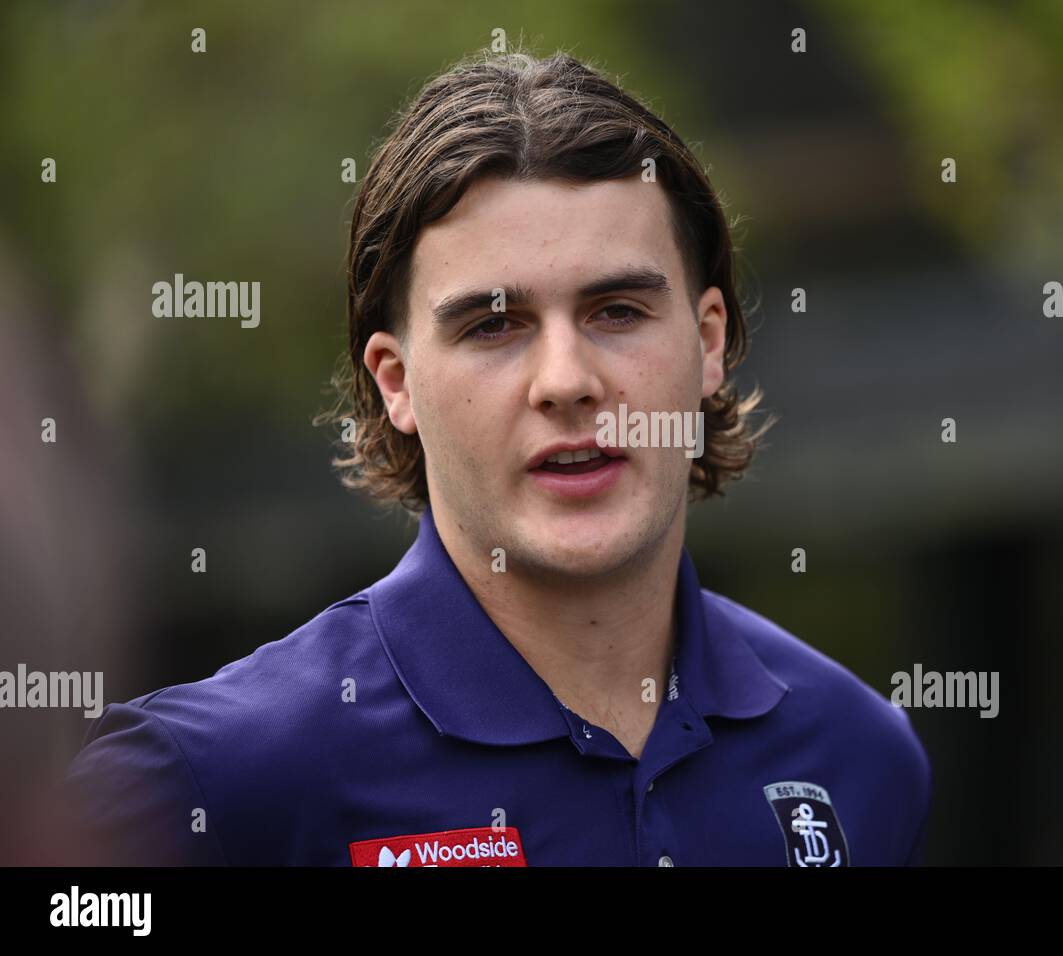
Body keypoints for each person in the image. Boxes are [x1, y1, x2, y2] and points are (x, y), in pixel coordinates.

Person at [63, 47, 931, 867]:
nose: (566, 381)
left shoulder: (859, 754)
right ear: (396, 383)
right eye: (494, 325)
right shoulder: (204, 780)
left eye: (618, 311)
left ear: (709, 344)